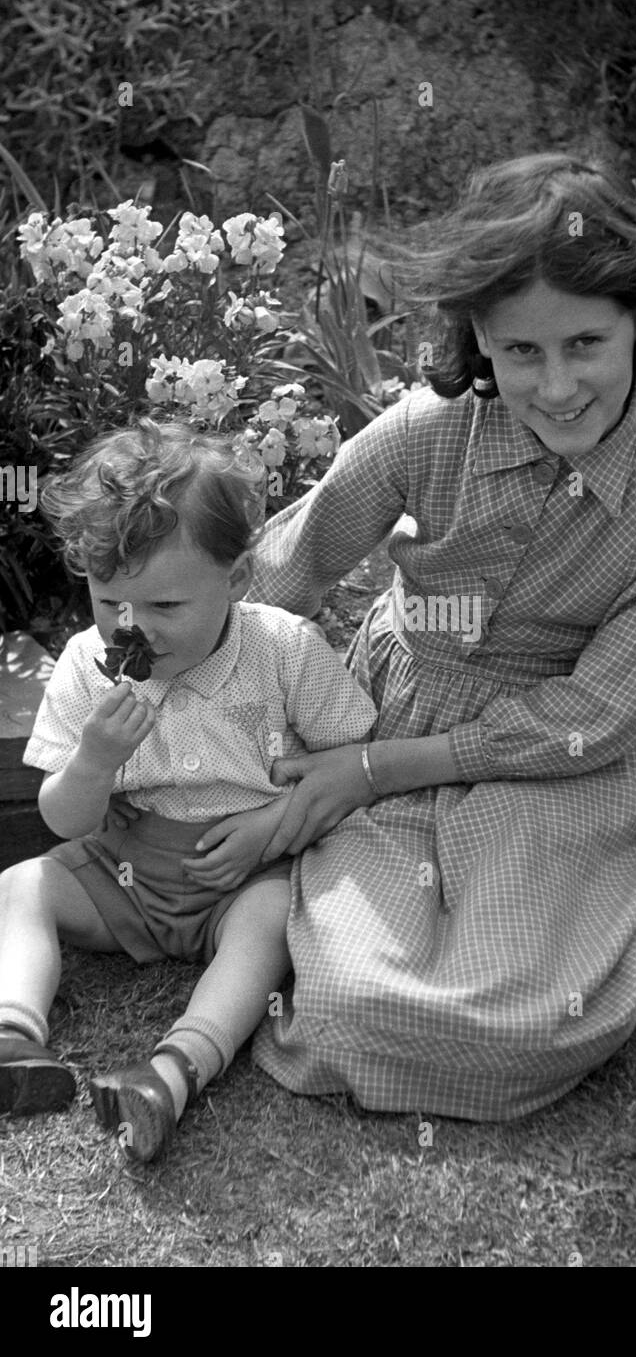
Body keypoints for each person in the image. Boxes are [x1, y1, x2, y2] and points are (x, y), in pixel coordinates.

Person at [220, 150, 636, 1122]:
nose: (557, 387)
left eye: (585, 344)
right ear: (478, 335)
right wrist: (168, 683)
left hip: (567, 760)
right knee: (345, 1012)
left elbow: (601, 711)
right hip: (393, 718)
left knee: (525, 1026)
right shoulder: (423, 432)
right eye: (522, 352)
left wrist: (375, 770)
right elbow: (279, 575)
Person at [0, 419, 377, 1160]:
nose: (130, 627)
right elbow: (66, 822)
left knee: (268, 924)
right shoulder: (85, 664)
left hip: (249, 872)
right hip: (125, 872)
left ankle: (174, 1071)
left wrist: (274, 828)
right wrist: (95, 761)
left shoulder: (280, 649)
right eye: (110, 603)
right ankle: (14, 1038)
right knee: (23, 886)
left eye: (166, 607)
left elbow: (349, 763)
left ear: (234, 580)